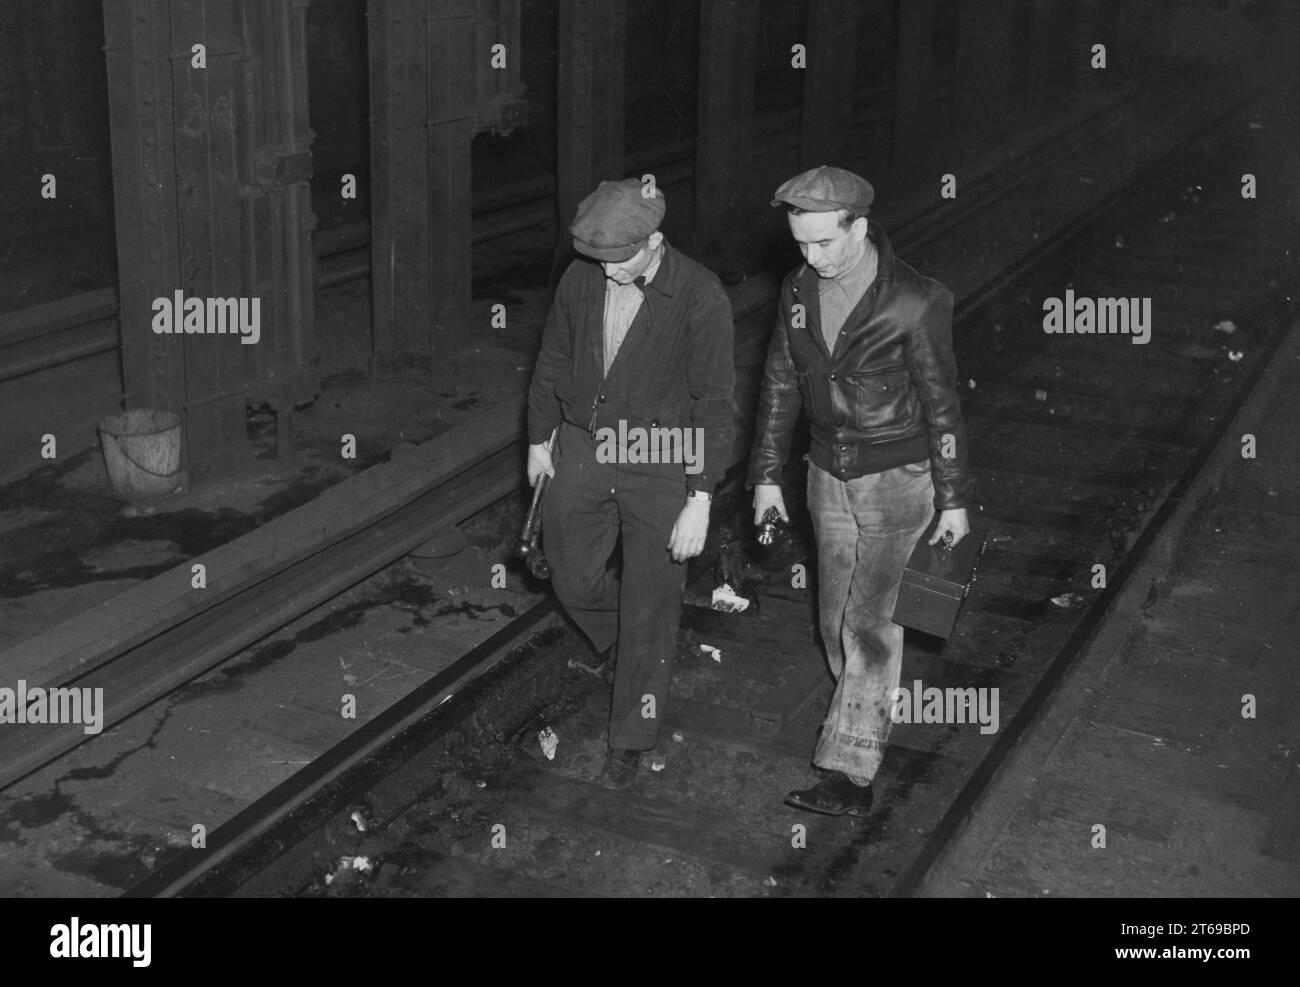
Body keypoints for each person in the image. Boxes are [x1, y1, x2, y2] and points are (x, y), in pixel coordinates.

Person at [748, 165, 976, 816]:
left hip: (900, 479)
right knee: (831, 619)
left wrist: (954, 498)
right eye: (800, 243)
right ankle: (865, 707)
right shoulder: (797, 290)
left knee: (870, 623)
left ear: (858, 225)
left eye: (823, 242)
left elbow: (944, 405)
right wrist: (766, 476)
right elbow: (780, 386)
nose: (810, 257)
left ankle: (848, 770)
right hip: (826, 473)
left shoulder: (915, 299)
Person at [526, 178, 735, 790]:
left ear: (655, 241)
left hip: (662, 455)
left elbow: (714, 402)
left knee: (651, 598)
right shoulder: (582, 277)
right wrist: (540, 439)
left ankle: (632, 736)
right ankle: (632, 649)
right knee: (570, 571)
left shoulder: (699, 295)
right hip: (585, 443)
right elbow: (552, 359)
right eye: (599, 263)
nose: (608, 275)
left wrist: (700, 497)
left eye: (621, 263)